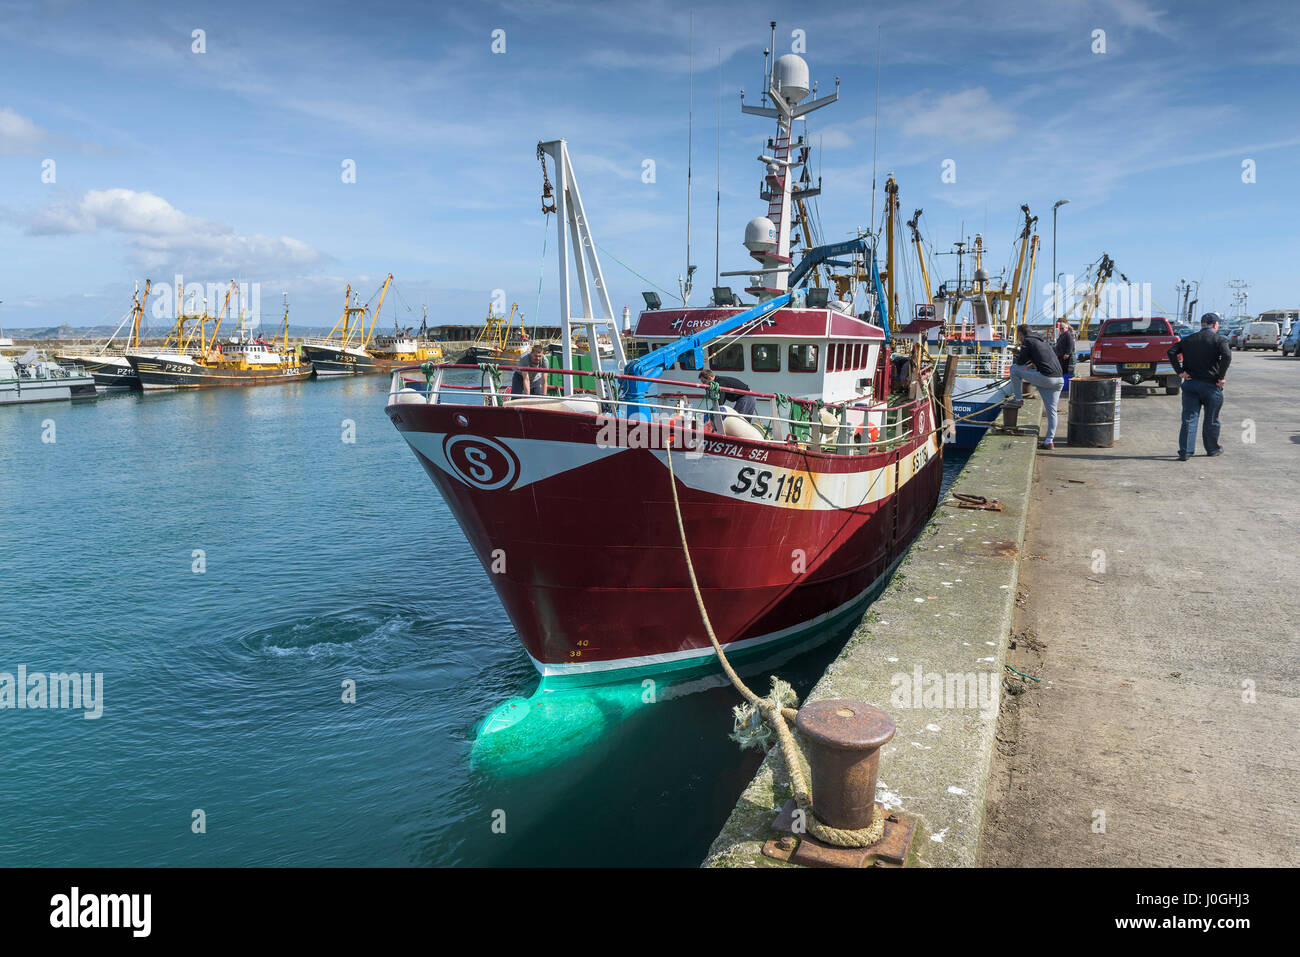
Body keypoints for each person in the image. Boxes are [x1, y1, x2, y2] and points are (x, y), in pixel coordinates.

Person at [1167, 312, 1230, 461]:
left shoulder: (1189, 339)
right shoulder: (1220, 340)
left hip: (1191, 384)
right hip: (1211, 385)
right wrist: (1221, 377)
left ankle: (1185, 452)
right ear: (1215, 325)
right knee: (1211, 419)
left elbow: (1171, 352)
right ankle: (1212, 449)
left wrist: (1180, 372)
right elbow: (1227, 355)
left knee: (1189, 418)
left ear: (1202, 324)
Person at [1008, 324, 1064, 450]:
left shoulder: (1027, 341)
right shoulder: (1042, 340)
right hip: (1059, 379)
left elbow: (1020, 362)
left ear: (1021, 334)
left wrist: (1022, 361)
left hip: (1046, 378)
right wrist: (1034, 365)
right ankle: (1049, 441)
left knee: (1013, 369)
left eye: (1019, 336)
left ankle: (1018, 399)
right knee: (1052, 411)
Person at [1053, 319, 1076, 395]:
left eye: (1063, 328)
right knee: (1062, 371)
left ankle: (1067, 386)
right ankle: (1064, 385)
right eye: (1060, 328)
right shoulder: (1062, 335)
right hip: (1061, 356)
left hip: (1065, 357)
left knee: (1067, 371)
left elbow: (1071, 344)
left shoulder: (1068, 335)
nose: (1061, 330)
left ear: (1066, 328)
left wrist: (1067, 353)